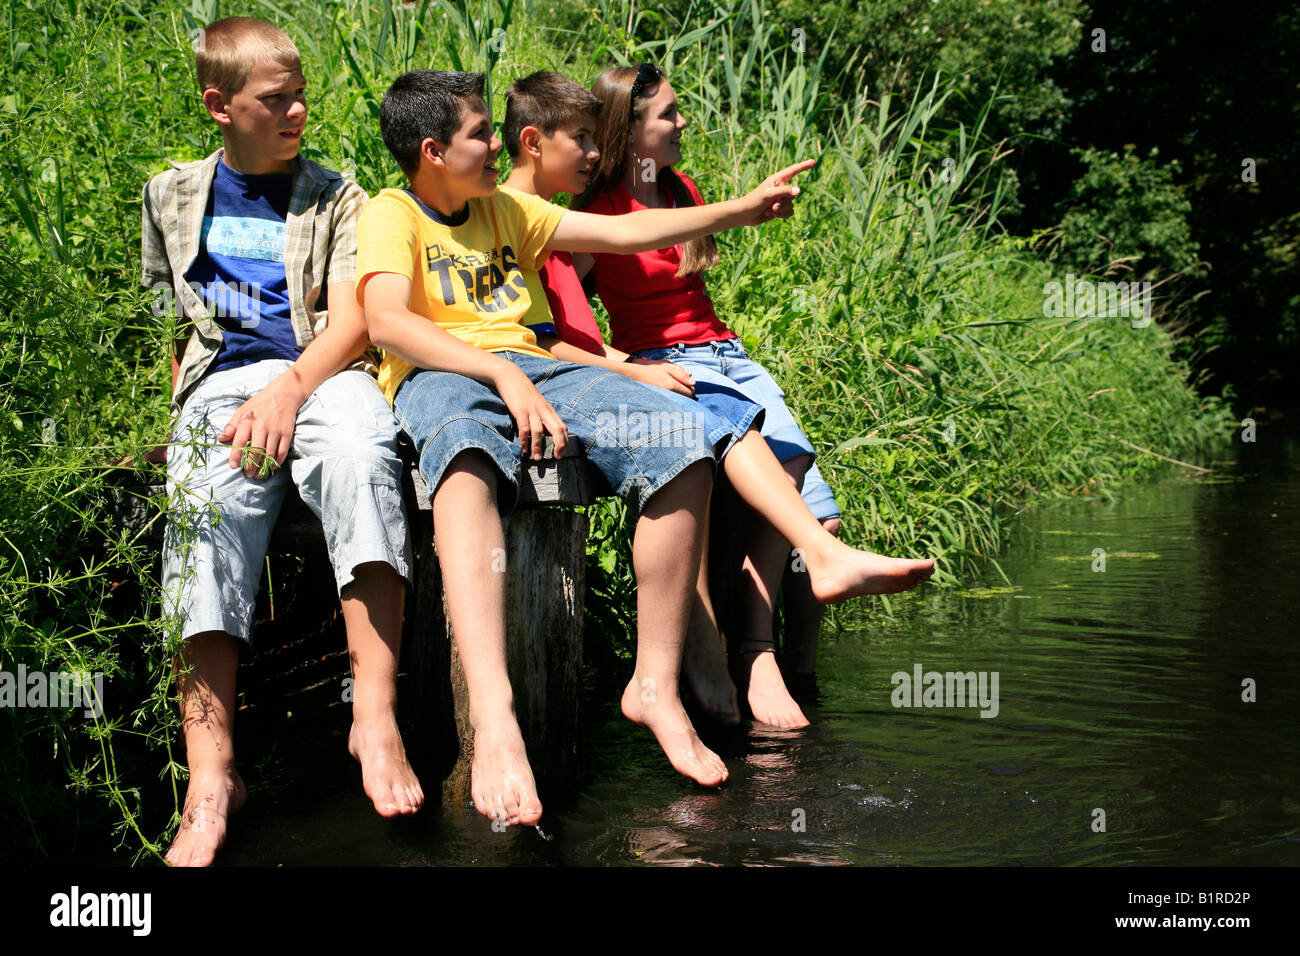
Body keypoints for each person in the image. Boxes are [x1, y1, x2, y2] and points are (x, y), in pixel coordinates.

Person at [358, 68, 890, 828]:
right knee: (467, 459)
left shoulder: (506, 207)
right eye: (481, 133)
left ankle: (653, 682)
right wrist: (498, 372)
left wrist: (740, 210)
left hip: (541, 370)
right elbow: (385, 323)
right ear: (435, 151)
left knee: (680, 436)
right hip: (446, 372)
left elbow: (622, 232)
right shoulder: (394, 212)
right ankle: (497, 713)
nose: (494, 143)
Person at [500, 71, 935, 727]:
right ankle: (747, 656)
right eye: (669, 116)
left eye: (593, 139)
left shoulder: (658, 193)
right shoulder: (562, 218)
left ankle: (797, 663)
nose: (682, 126)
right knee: (727, 451)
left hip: (716, 355)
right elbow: (554, 328)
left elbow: (592, 298)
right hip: (651, 366)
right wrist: (631, 367)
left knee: (816, 510)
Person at [143, 17, 419, 866]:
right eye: (276, 99)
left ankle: (372, 717)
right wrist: (184, 415)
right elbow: (160, 316)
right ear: (219, 105)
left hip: (323, 370)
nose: (298, 110)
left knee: (360, 458)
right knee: (208, 505)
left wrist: (289, 389)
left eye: (302, 94)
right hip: (222, 383)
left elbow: (353, 324)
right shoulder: (170, 194)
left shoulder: (341, 197)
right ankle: (212, 773)